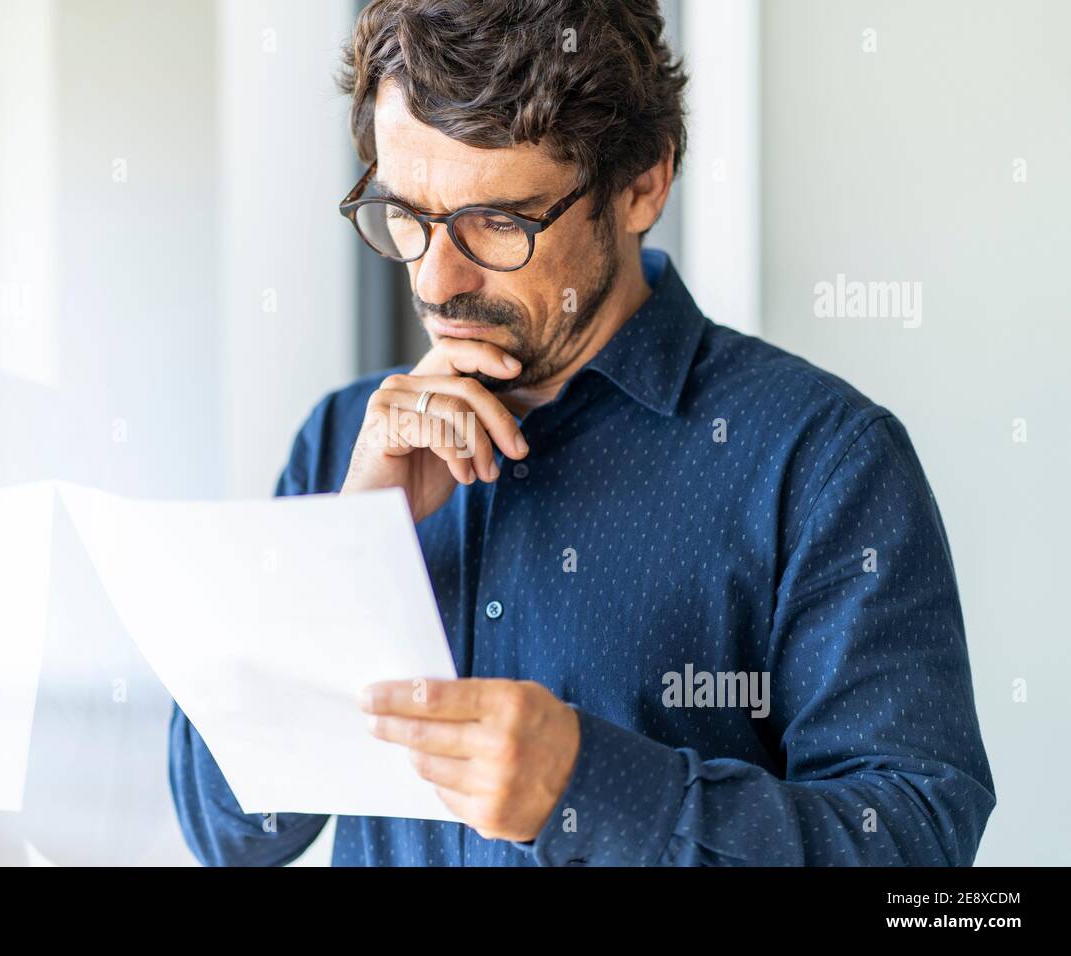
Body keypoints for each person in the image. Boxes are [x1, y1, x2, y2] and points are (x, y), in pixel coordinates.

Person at [169, 0, 995, 866]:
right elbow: (230, 833)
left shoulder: (823, 461)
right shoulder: (346, 437)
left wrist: (590, 789)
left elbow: (916, 845)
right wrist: (347, 545)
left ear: (642, 184)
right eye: (404, 213)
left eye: (499, 222)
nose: (437, 281)